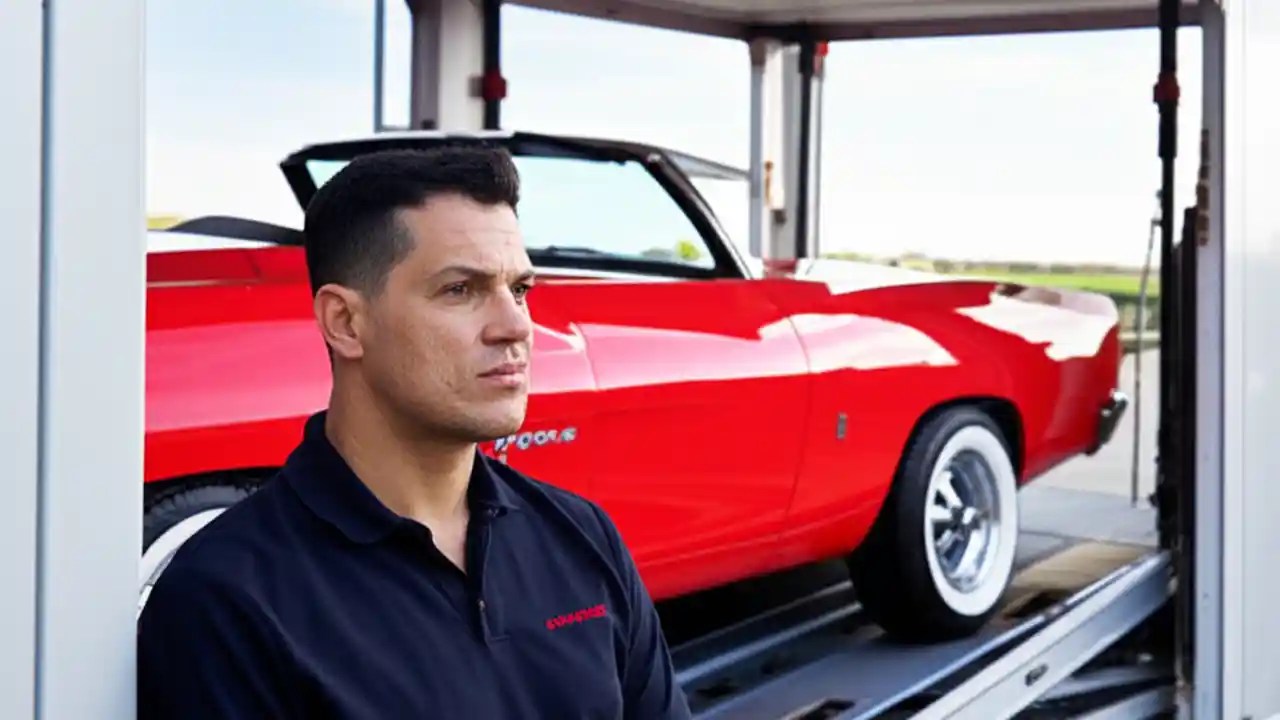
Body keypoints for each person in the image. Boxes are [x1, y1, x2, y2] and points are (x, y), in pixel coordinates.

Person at [136, 144, 692, 719]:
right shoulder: (226, 600)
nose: (515, 326)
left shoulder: (581, 537)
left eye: (519, 289)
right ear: (345, 322)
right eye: (460, 290)